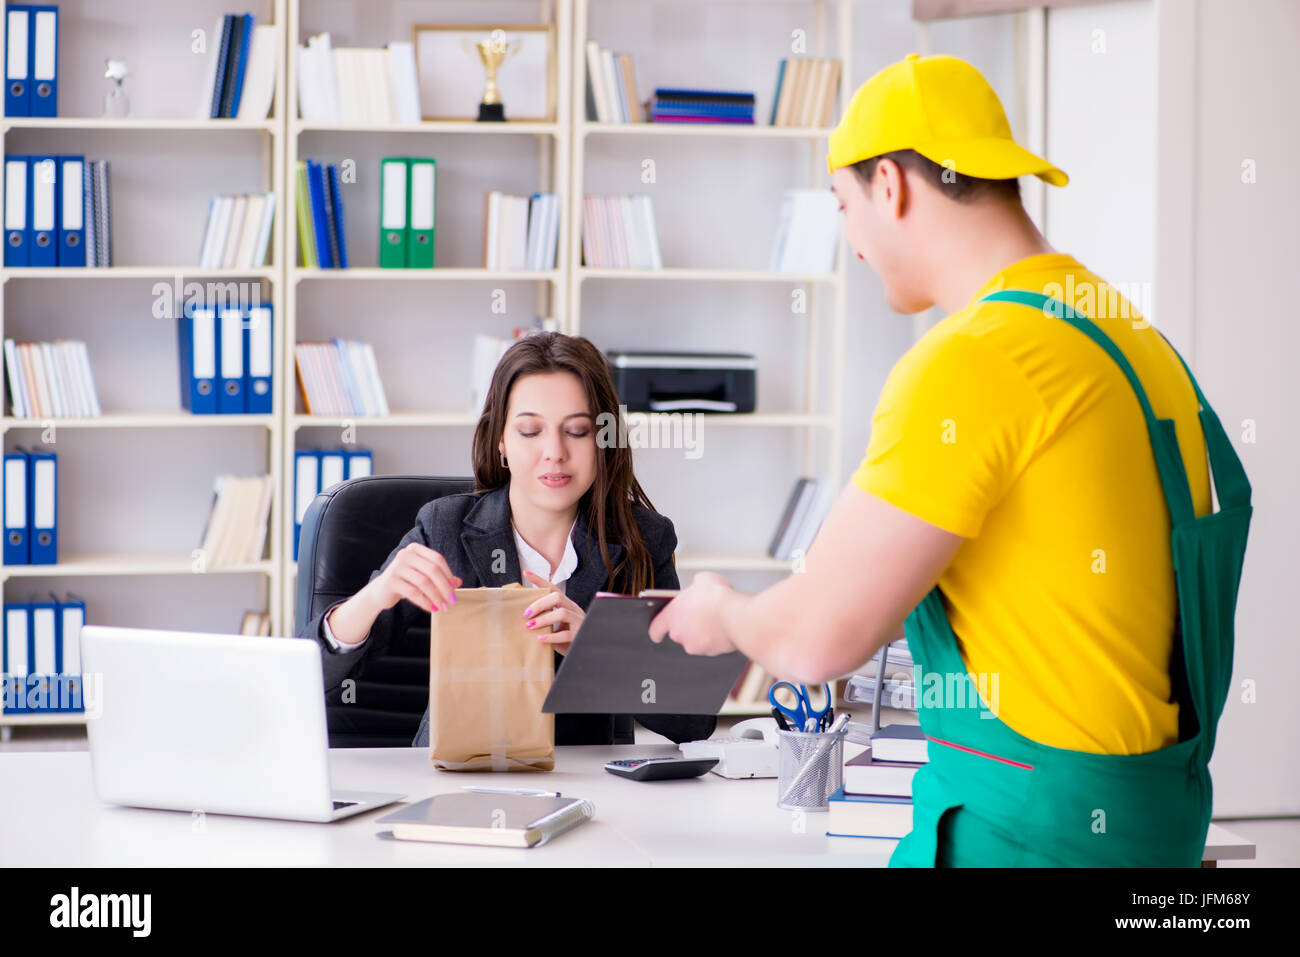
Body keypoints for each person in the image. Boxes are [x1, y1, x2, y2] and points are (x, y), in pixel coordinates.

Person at [648, 53, 1251, 866]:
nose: (854, 246)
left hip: (1029, 832)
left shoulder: (974, 358)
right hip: (1156, 822)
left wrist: (722, 610)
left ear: (890, 184)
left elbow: (816, 640)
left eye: (844, 205)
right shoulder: (1128, 337)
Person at [302, 331, 715, 747]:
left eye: (576, 431)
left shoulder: (643, 539)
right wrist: (375, 596)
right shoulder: (445, 528)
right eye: (530, 431)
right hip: (460, 783)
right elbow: (307, 679)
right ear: (501, 440)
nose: (554, 452)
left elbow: (693, 720)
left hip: (589, 793)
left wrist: (595, 648)